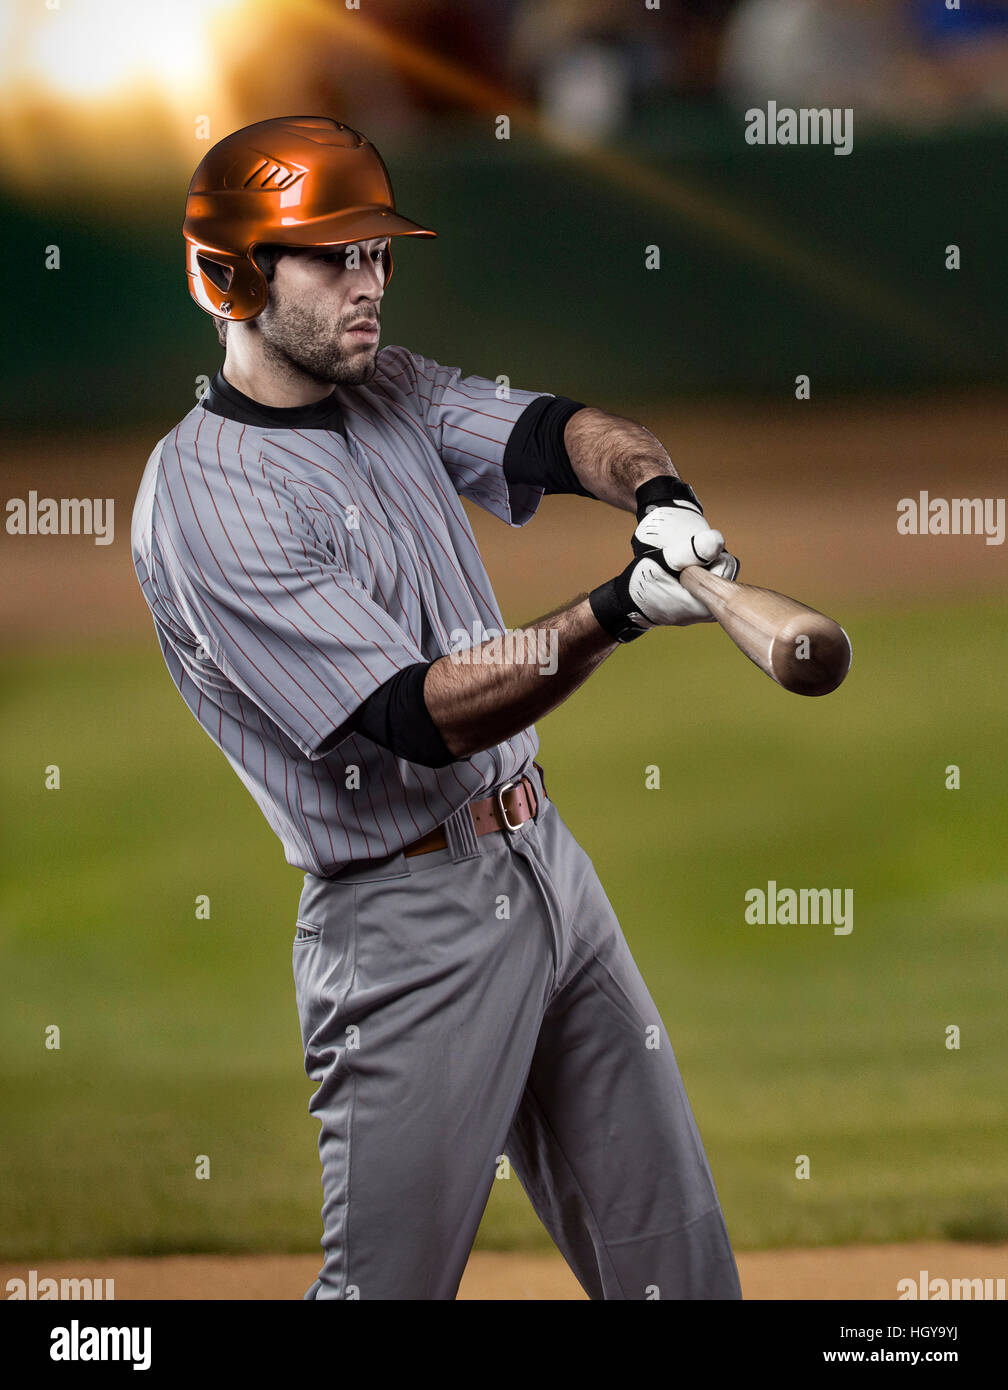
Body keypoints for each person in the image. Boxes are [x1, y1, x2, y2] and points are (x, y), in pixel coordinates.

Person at [131, 115, 743, 1301]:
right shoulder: (206, 501)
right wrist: (617, 607)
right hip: (404, 932)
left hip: (547, 868)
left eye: (379, 255)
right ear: (235, 272)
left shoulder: (394, 388)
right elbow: (423, 716)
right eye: (334, 257)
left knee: (678, 1274)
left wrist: (659, 492)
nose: (370, 285)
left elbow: (557, 431)